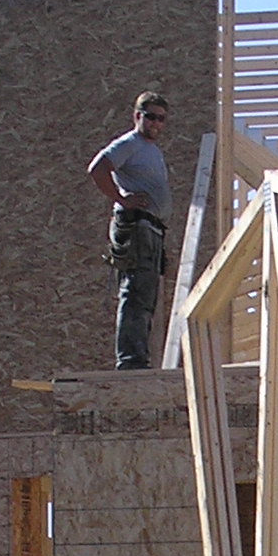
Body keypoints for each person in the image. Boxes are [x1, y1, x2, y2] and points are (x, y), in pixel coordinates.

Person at [86, 92, 172, 370]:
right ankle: (131, 361)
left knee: (146, 295)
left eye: (161, 118)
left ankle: (138, 357)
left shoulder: (151, 150)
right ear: (137, 116)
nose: (156, 123)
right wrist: (122, 199)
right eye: (151, 117)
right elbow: (98, 168)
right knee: (135, 292)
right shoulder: (130, 143)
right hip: (136, 226)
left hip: (151, 229)